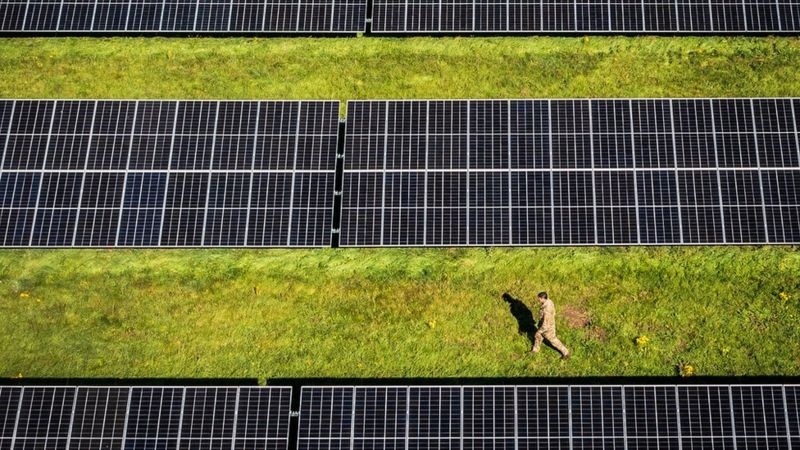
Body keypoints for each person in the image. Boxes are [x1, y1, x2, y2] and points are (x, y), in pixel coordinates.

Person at [532, 291, 571, 360]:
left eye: (539, 299)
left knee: (553, 340)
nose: (538, 300)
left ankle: (566, 353)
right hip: (547, 324)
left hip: (547, 328)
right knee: (538, 337)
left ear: (542, 298)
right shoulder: (549, 301)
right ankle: (535, 350)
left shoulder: (546, 310)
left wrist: (540, 331)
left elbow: (546, 324)